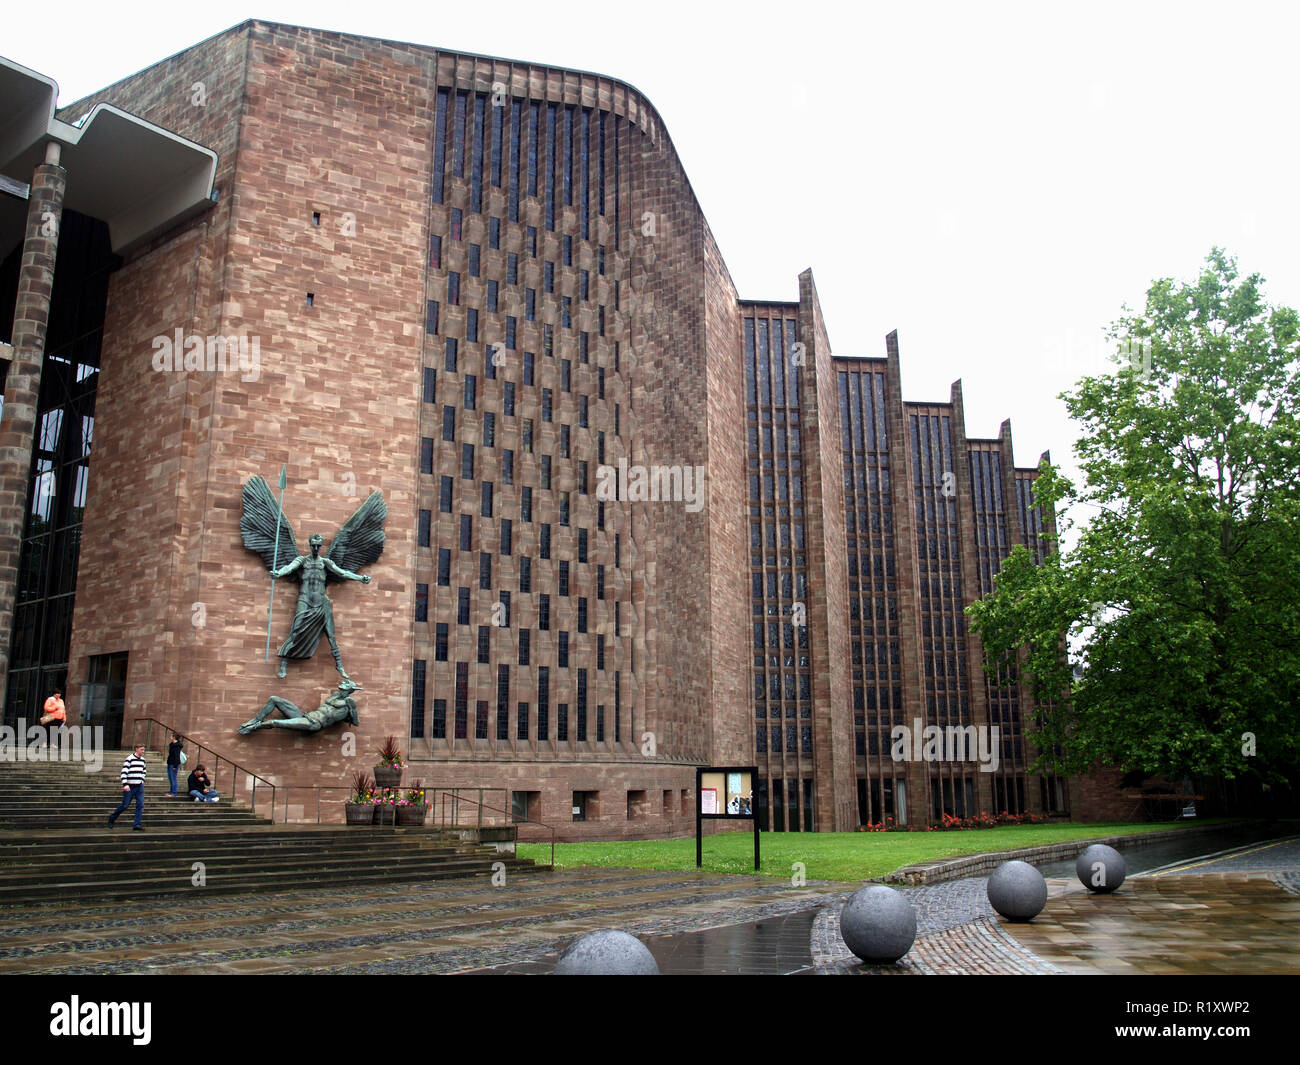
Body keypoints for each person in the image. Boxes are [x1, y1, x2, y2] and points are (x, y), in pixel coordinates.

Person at [108, 744, 147, 830]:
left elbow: (144, 770)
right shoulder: (129, 759)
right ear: (136, 749)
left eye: (144, 750)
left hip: (139, 786)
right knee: (125, 805)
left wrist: (142, 779)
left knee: (140, 805)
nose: (143, 752)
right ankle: (112, 818)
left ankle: (136, 824)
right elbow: (124, 772)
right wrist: (125, 784)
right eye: (141, 750)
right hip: (130, 786)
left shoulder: (143, 760)